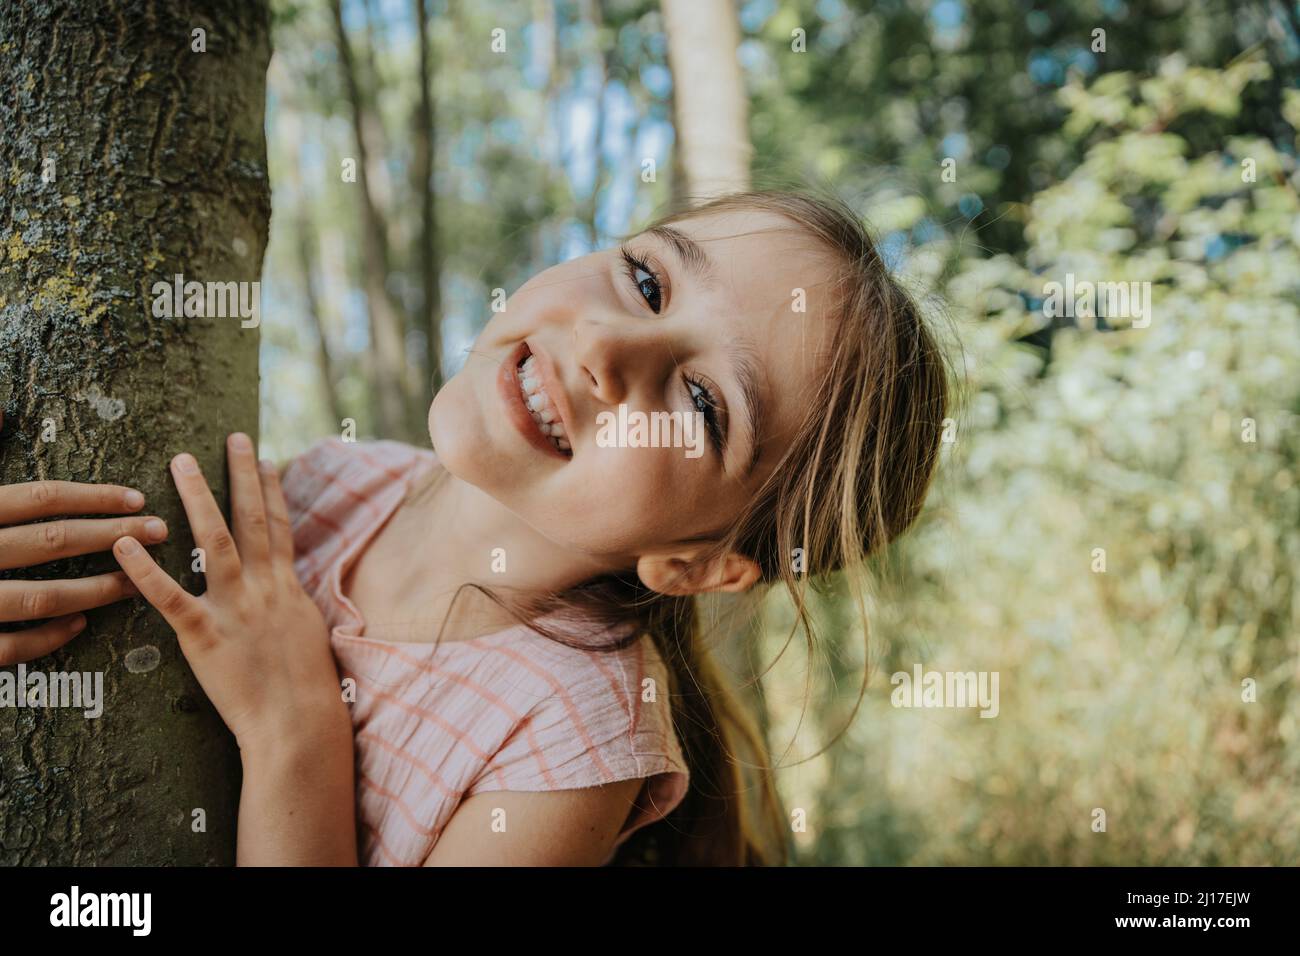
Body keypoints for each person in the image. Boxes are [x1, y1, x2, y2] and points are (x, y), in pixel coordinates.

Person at [0, 190, 950, 865]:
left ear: (700, 563)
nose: (605, 349)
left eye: (703, 402)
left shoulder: (570, 745)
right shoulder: (328, 483)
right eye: (648, 281)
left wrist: (297, 735)